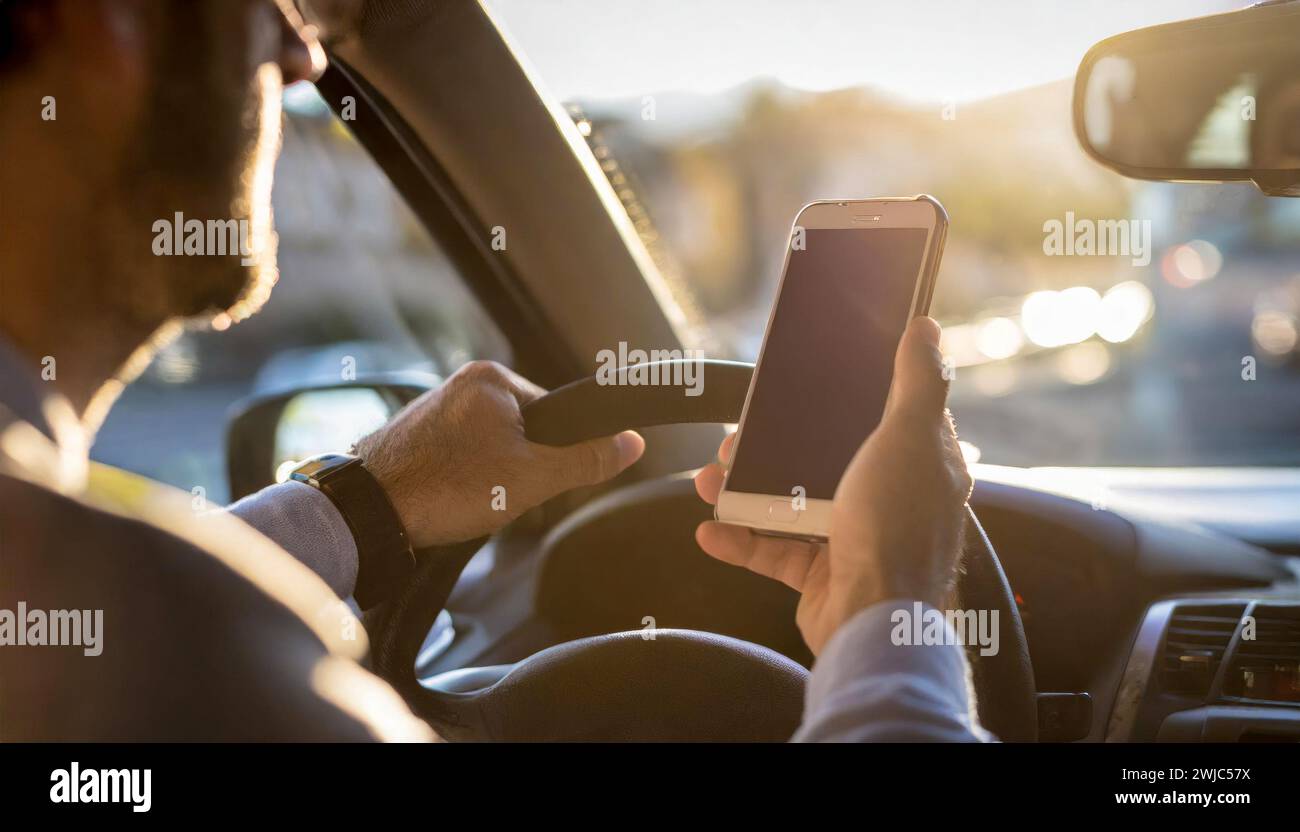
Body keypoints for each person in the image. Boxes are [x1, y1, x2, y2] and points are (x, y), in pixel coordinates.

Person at [0, 0, 987, 742]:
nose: (302, 59)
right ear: (97, 20)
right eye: (264, 5)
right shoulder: (191, 667)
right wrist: (890, 603)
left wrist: (364, 502)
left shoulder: (94, 621)